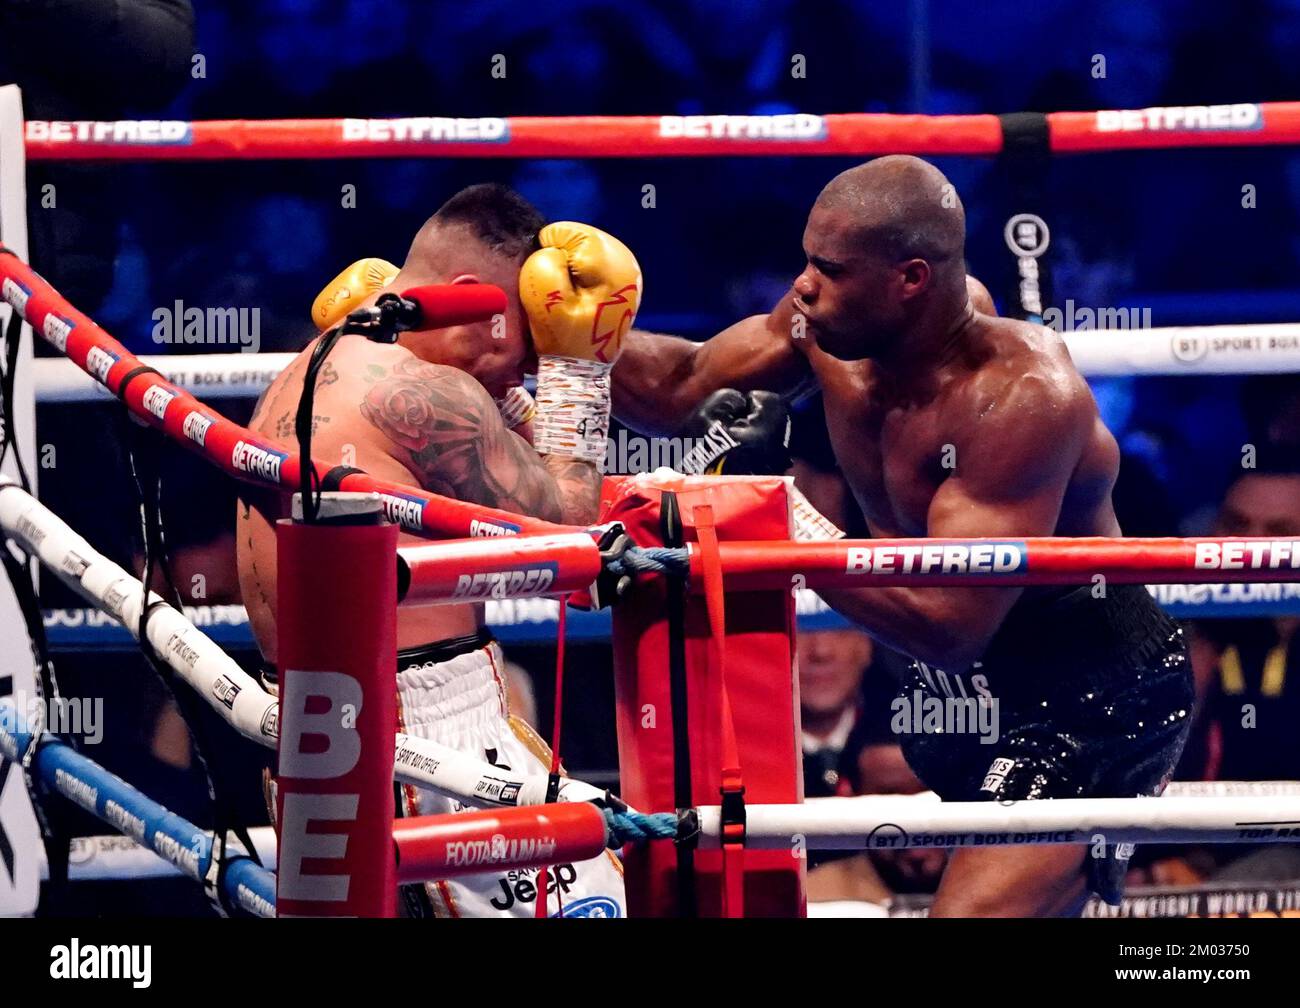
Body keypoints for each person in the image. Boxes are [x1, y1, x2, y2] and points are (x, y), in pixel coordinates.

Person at [613, 155, 1193, 916]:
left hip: (1087, 704)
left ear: (910, 279)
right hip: (949, 697)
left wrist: (780, 515)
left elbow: (951, 625)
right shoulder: (829, 327)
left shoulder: (1019, 398)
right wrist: (546, 334)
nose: (804, 285)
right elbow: (681, 387)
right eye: (807, 260)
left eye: (830, 268)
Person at [235, 184, 633, 917]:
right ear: (465, 300)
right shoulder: (422, 392)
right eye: (525, 337)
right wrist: (582, 374)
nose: (527, 368)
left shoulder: (316, 361)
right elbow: (569, 542)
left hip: (318, 732)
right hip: (425, 739)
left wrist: (505, 385)